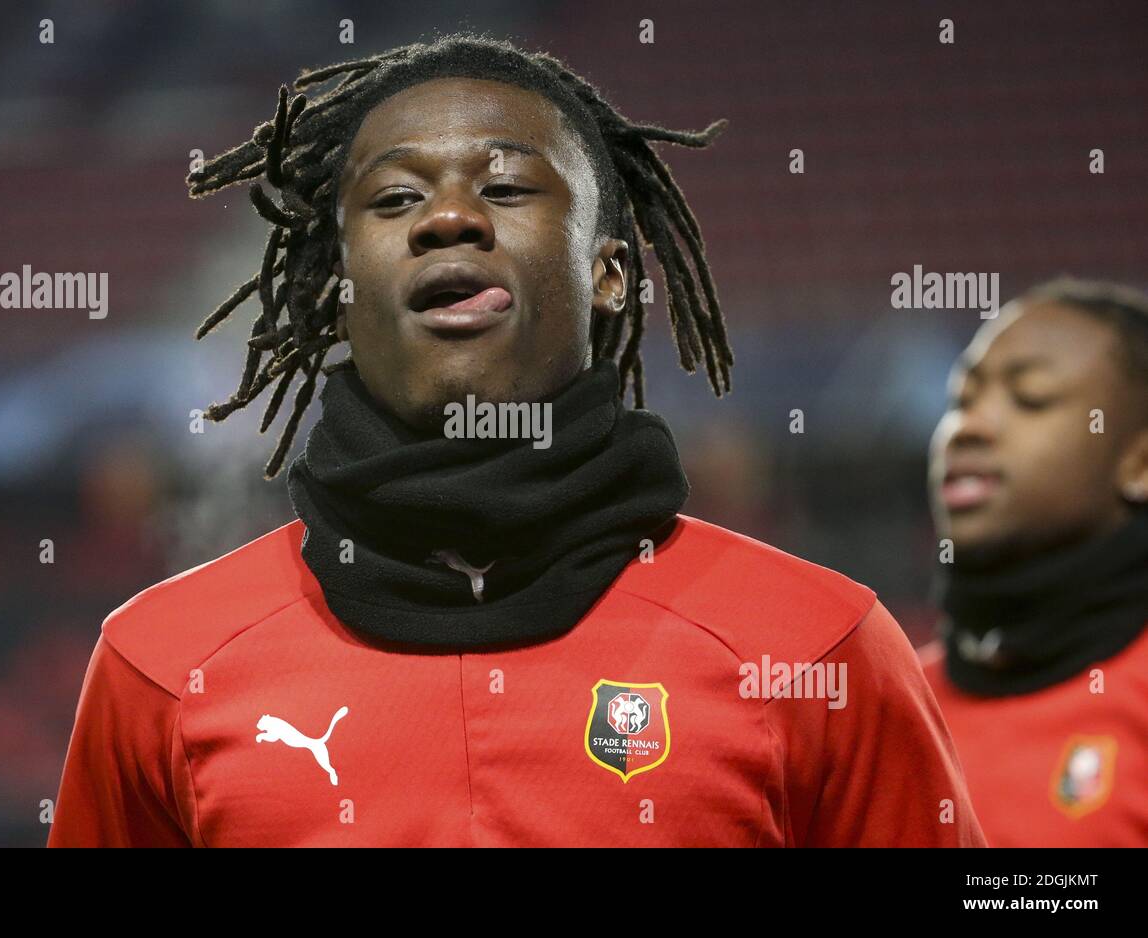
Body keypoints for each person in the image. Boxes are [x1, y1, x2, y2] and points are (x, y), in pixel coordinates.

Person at [48, 34, 982, 847]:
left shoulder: (820, 649)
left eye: (505, 185)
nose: (449, 217)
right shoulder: (160, 666)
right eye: (395, 198)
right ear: (338, 282)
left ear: (609, 273)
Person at [922, 277, 1148, 846]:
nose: (968, 428)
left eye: (1031, 398)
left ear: (1140, 463)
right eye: (961, 399)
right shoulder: (885, 704)